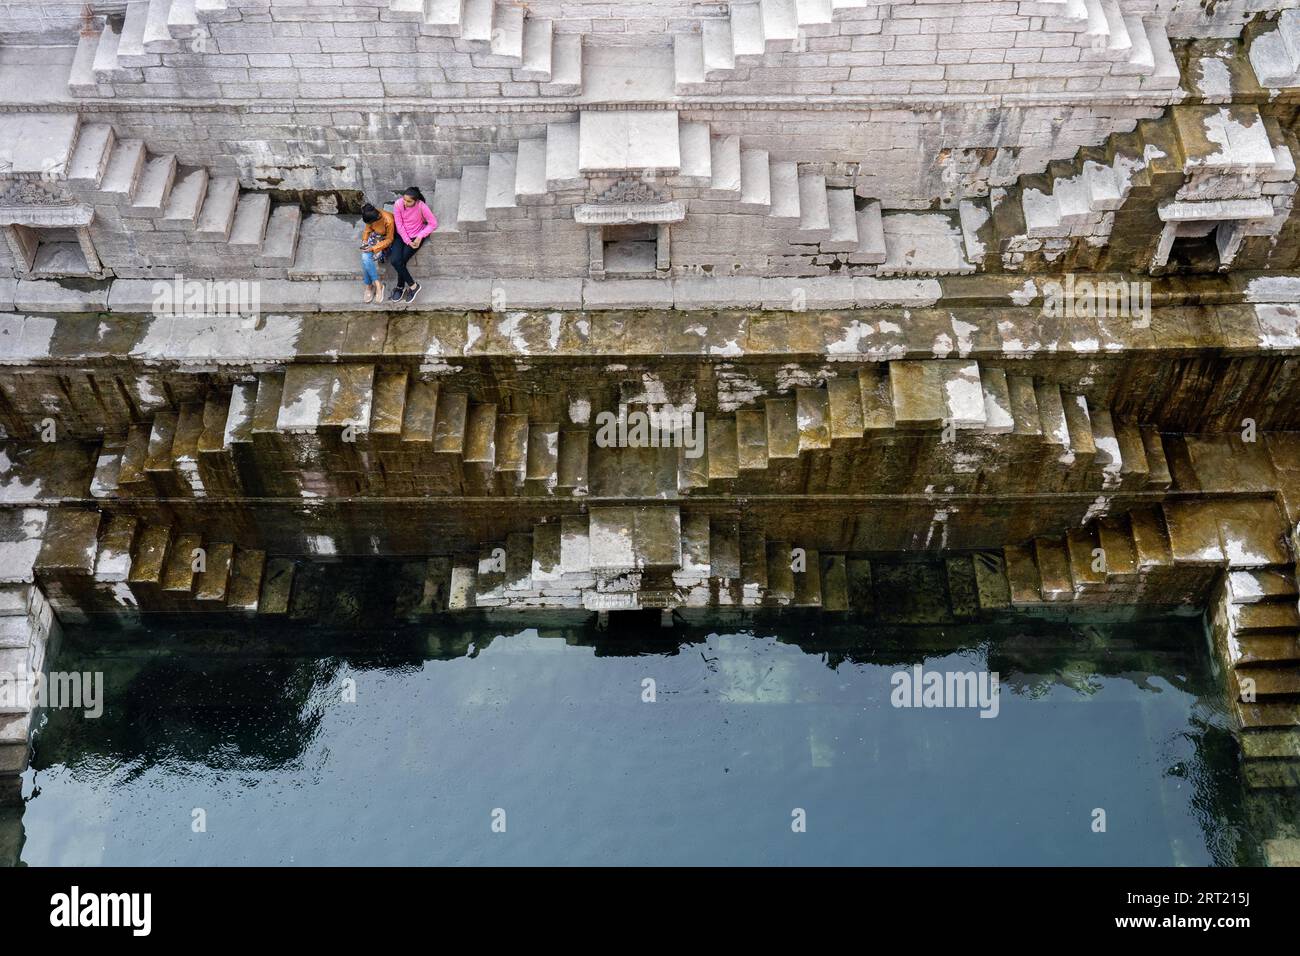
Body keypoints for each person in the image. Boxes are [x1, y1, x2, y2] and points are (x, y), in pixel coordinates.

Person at [388, 186, 437, 303]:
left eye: (409, 201)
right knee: (395, 260)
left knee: (402, 260)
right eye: (404, 199)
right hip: (401, 236)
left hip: (416, 237)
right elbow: (399, 225)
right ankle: (413, 286)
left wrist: (420, 236)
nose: (405, 203)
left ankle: (400, 287)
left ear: (416, 200)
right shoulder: (398, 204)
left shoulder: (422, 206)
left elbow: (433, 224)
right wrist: (407, 241)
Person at [359, 203, 395, 304]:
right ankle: (377, 284)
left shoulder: (388, 220)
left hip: (385, 240)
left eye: (371, 222)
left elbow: (389, 239)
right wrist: (365, 241)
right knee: (365, 258)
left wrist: (373, 248)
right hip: (376, 236)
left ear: (376, 218)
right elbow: (367, 230)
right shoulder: (369, 214)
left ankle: (370, 285)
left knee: (366, 258)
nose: (370, 224)